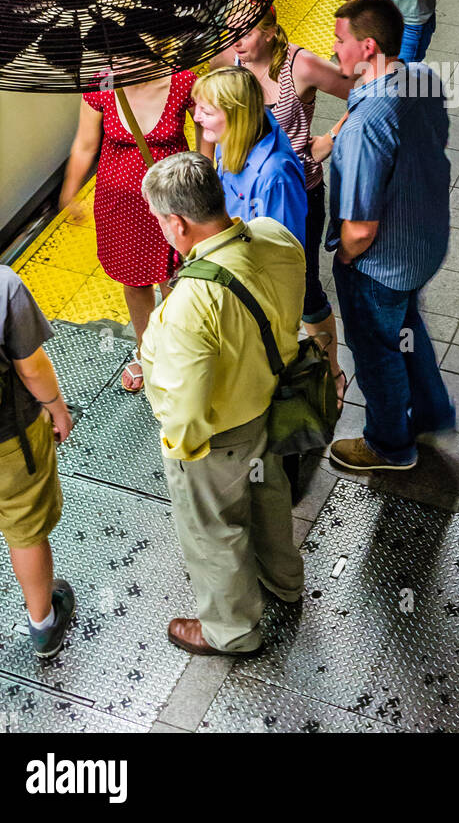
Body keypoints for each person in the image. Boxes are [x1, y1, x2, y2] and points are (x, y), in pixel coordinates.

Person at [139, 152, 305, 656]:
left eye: (160, 222)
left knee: (214, 530)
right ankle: (285, 582)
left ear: (177, 222)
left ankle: (230, 631)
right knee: (270, 495)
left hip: (219, 435)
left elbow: (187, 409)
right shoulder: (273, 235)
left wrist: (179, 450)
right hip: (272, 405)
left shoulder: (191, 300)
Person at [325, 0, 455, 473]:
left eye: (341, 41)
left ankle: (389, 445)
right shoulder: (421, 79)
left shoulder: (365, 126)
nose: (334, 50)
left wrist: (344, 259)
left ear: (368, 47)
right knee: (407, 328)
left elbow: (360, 228)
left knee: (378, 353)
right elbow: (436, 142)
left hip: (379, 263)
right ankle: (432, 410)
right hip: (424, 245)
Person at [219, 0, 353, 389]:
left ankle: (332, 372)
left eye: (246, 30)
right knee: (252, 283)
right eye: (231, 30)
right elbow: (207, 110)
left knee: (305, 289)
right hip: (242, 194)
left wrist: (330, 138)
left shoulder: (301, 65)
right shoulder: (228, 61)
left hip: (296, 194)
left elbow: (363, 92)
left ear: (272, 31)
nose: (237, 39)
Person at [0, 158, 76, 660]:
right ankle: (42, 623)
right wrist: (56, 409)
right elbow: (32, 368)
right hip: (4, 441)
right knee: (24, 529)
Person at [59, 66, 201, 393]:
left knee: (176, 281)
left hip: (171, 202)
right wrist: (69, 191)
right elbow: (84, 143)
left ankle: (182, 354)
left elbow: (207, 128)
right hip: (120, 206)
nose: (124, 63)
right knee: (135, 283)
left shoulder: (183, 81)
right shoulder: (103, 83)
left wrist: (204, 176)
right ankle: (145, 351)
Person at [191, 67, 307, 247]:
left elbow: (286, 253)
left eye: (206, 112)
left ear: (236, 115)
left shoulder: (276, 175)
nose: (196, 117)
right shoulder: (229, 138)